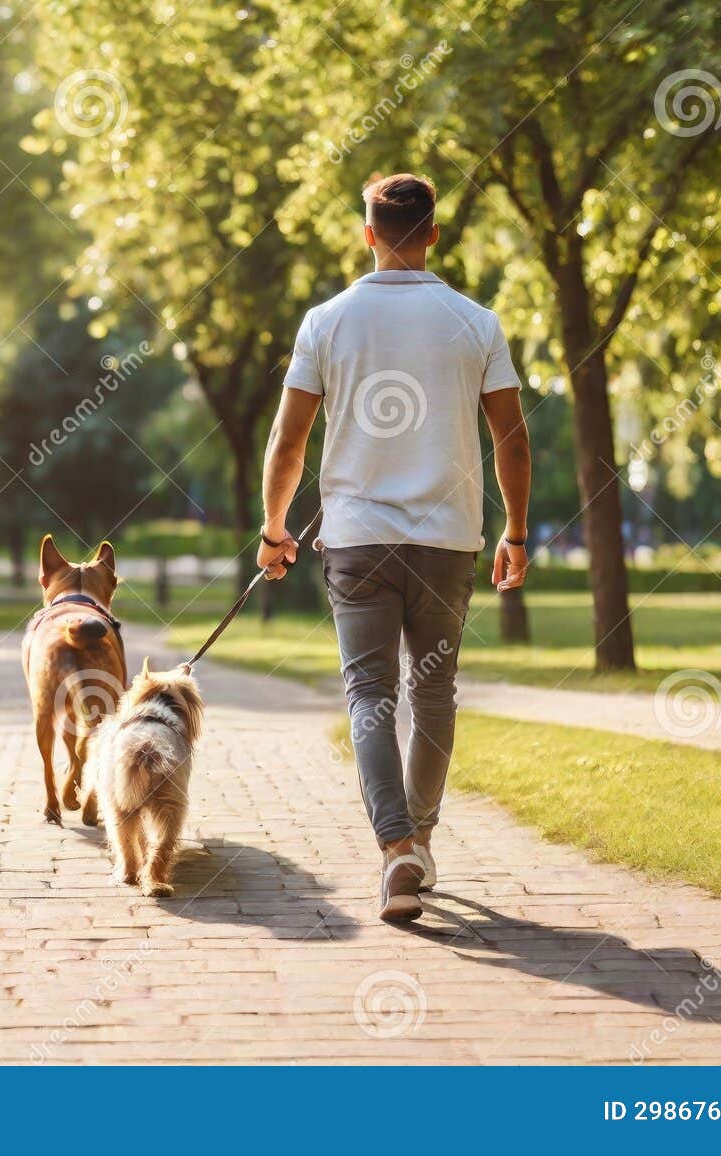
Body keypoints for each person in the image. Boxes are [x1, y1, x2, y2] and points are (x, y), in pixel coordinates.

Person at [255, 173, 532, 922]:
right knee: (432, 692)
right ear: (434, 234)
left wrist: (274, 528)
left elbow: (289, 440)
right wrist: (516, 529)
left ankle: (396, 849)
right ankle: (420, 839)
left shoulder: (327, 321)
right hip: (447, 542)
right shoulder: (476, 321)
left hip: (357, 543)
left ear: (368, 233)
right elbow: (511, 435)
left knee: (370, 696)